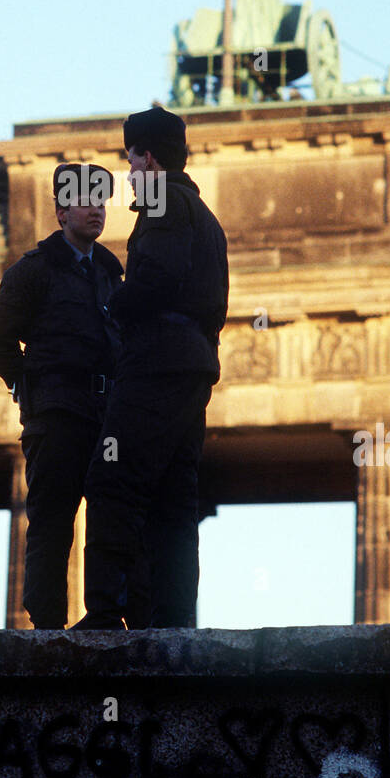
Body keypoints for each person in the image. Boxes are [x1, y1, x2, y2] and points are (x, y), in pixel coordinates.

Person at [72, 107, 229, 630]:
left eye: (131, 159)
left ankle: (104, 611)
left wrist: (112, 306)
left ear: (150, 157)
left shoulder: (160, 199)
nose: (130, 174)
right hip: (194, 366)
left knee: (112, 477)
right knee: (174, 499)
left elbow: (156, 279)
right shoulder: (206, 218)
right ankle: (174, 621)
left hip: (155, 363)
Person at [0, 162, 147, 629]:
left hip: (104, 414)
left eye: (101, 200)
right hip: (56, 414)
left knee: (112, 515)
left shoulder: (112, 274)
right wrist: (29, 389)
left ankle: (105, 614)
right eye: (84, 201)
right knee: (53, 519)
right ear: (60, 212)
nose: (96, 210)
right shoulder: (33, 272)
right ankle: (48, 627)